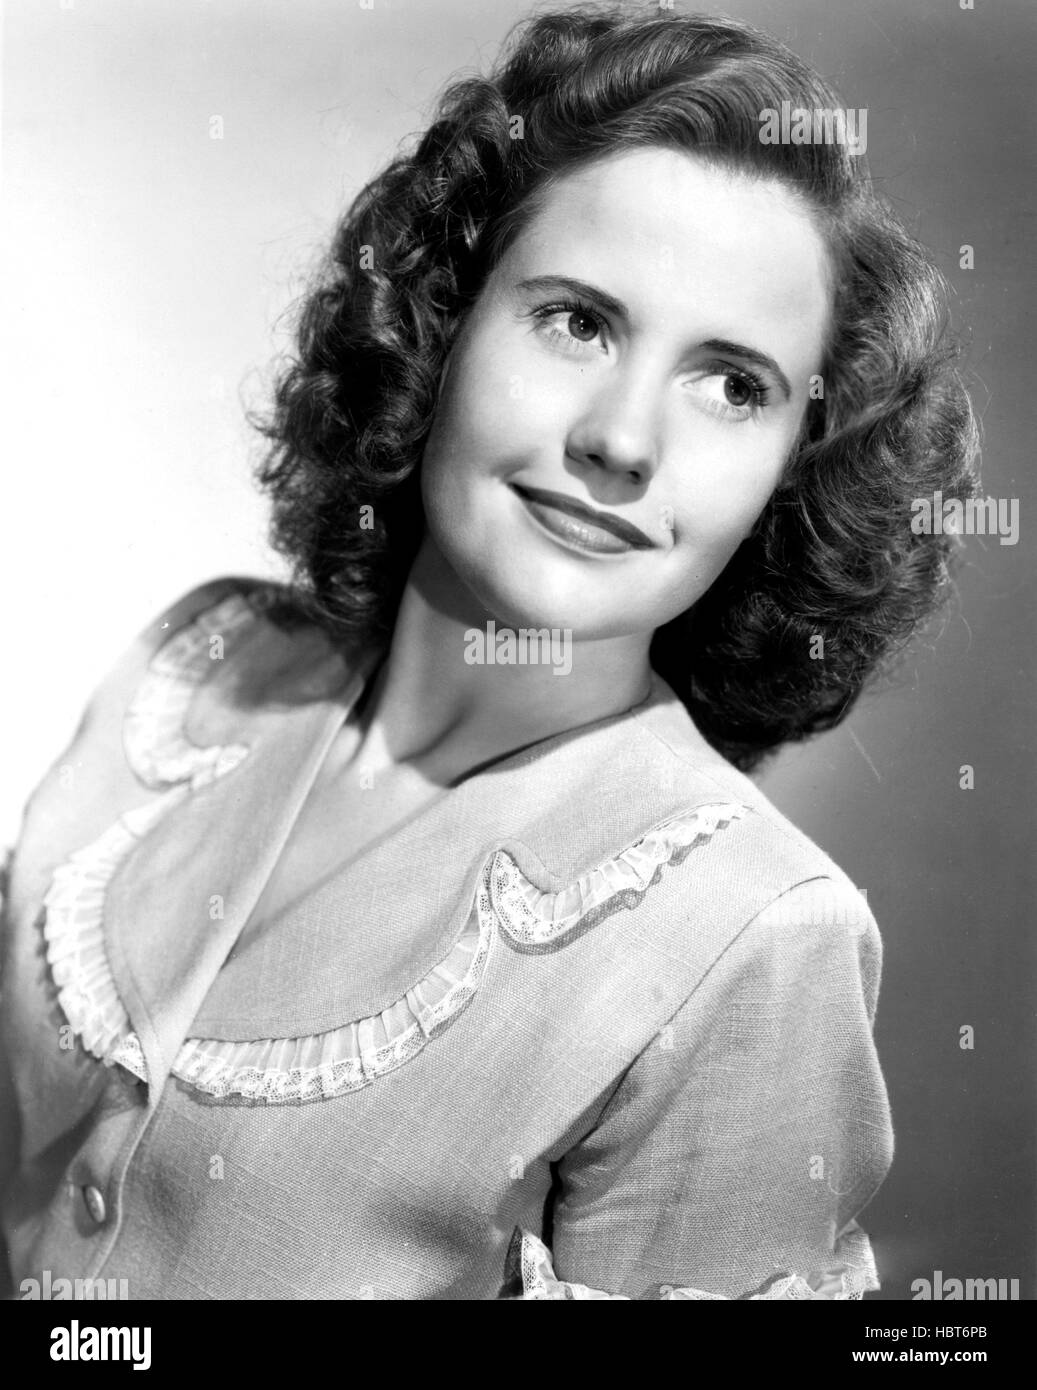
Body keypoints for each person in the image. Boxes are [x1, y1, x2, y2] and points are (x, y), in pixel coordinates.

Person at [0, 6, 978, 1300]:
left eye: (731, 383)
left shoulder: (756, 938)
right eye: (576, 320)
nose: (623, 439)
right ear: (440, 322)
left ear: (794, 471)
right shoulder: (207, 660)